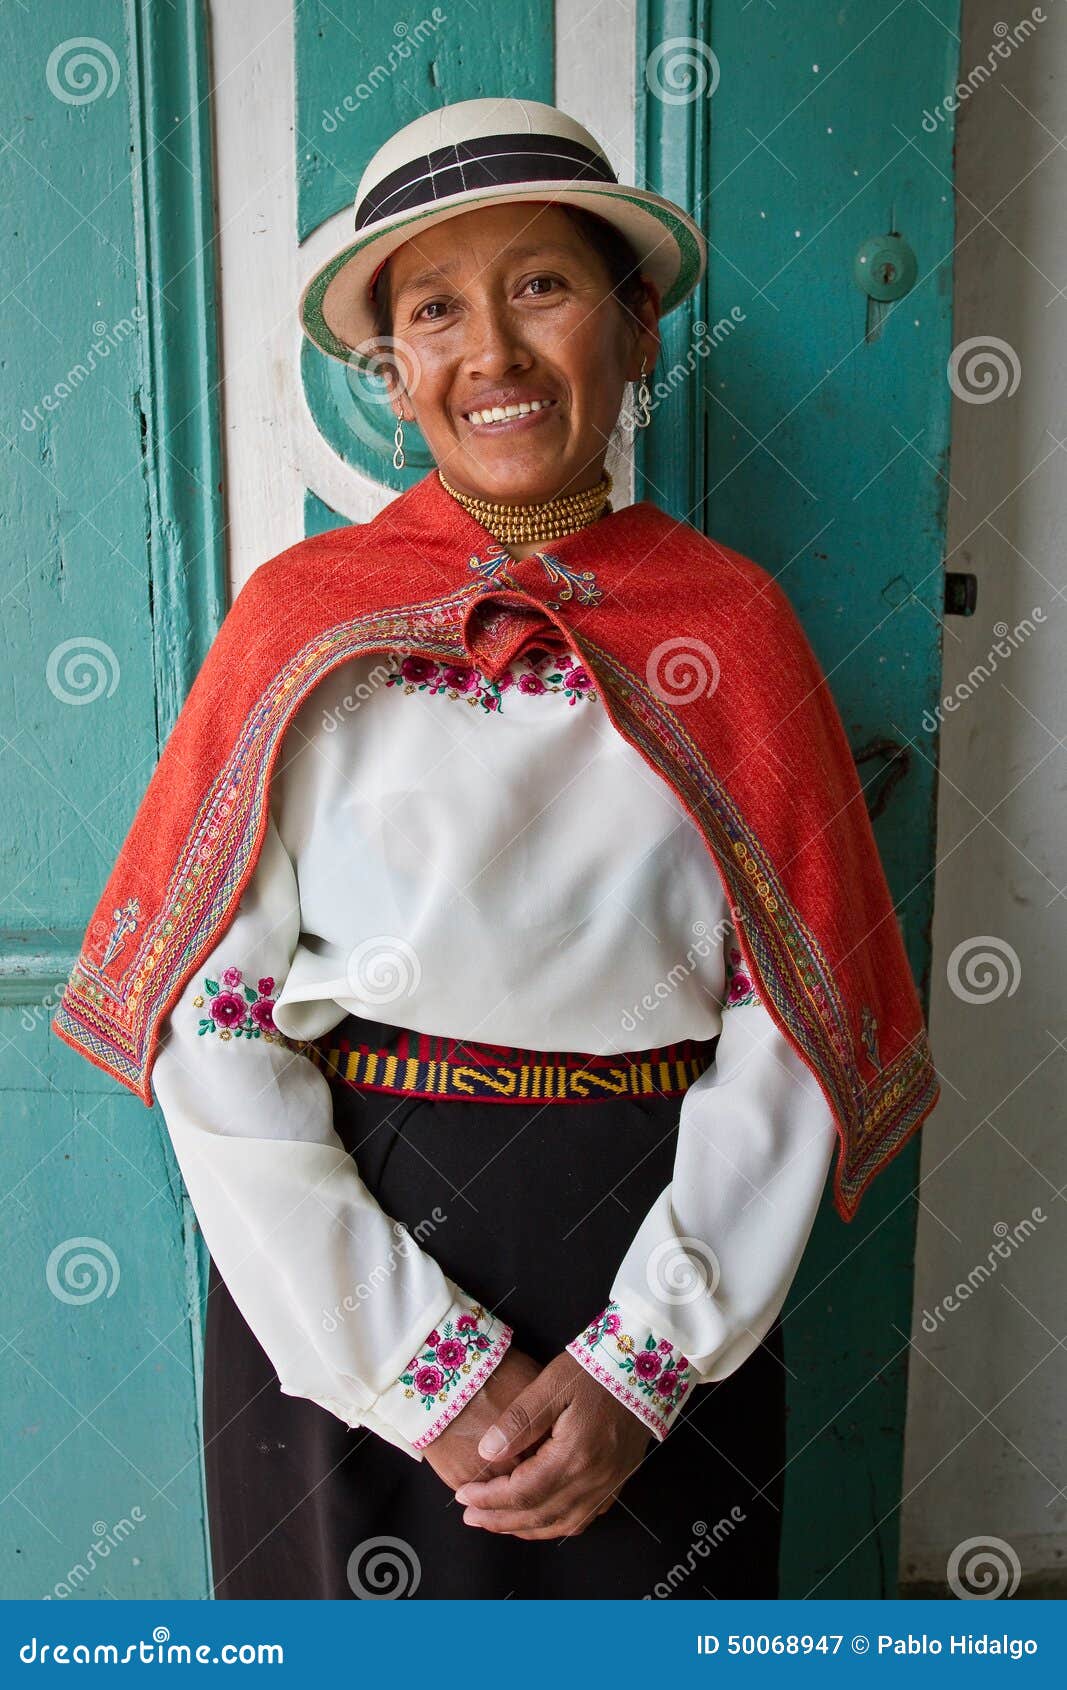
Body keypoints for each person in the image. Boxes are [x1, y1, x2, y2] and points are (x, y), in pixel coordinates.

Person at [52, 97, 939, 1600]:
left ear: (638, 324)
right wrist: (425, 1369)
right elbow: (209, 1025)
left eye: (542, 286)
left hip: (657, 1246)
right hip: (350, 1254)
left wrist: (644, 1361)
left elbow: (789, 1025)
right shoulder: (300, 625)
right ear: (393, 376)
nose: (496, 354)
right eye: (437, 311)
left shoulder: (733, 630)